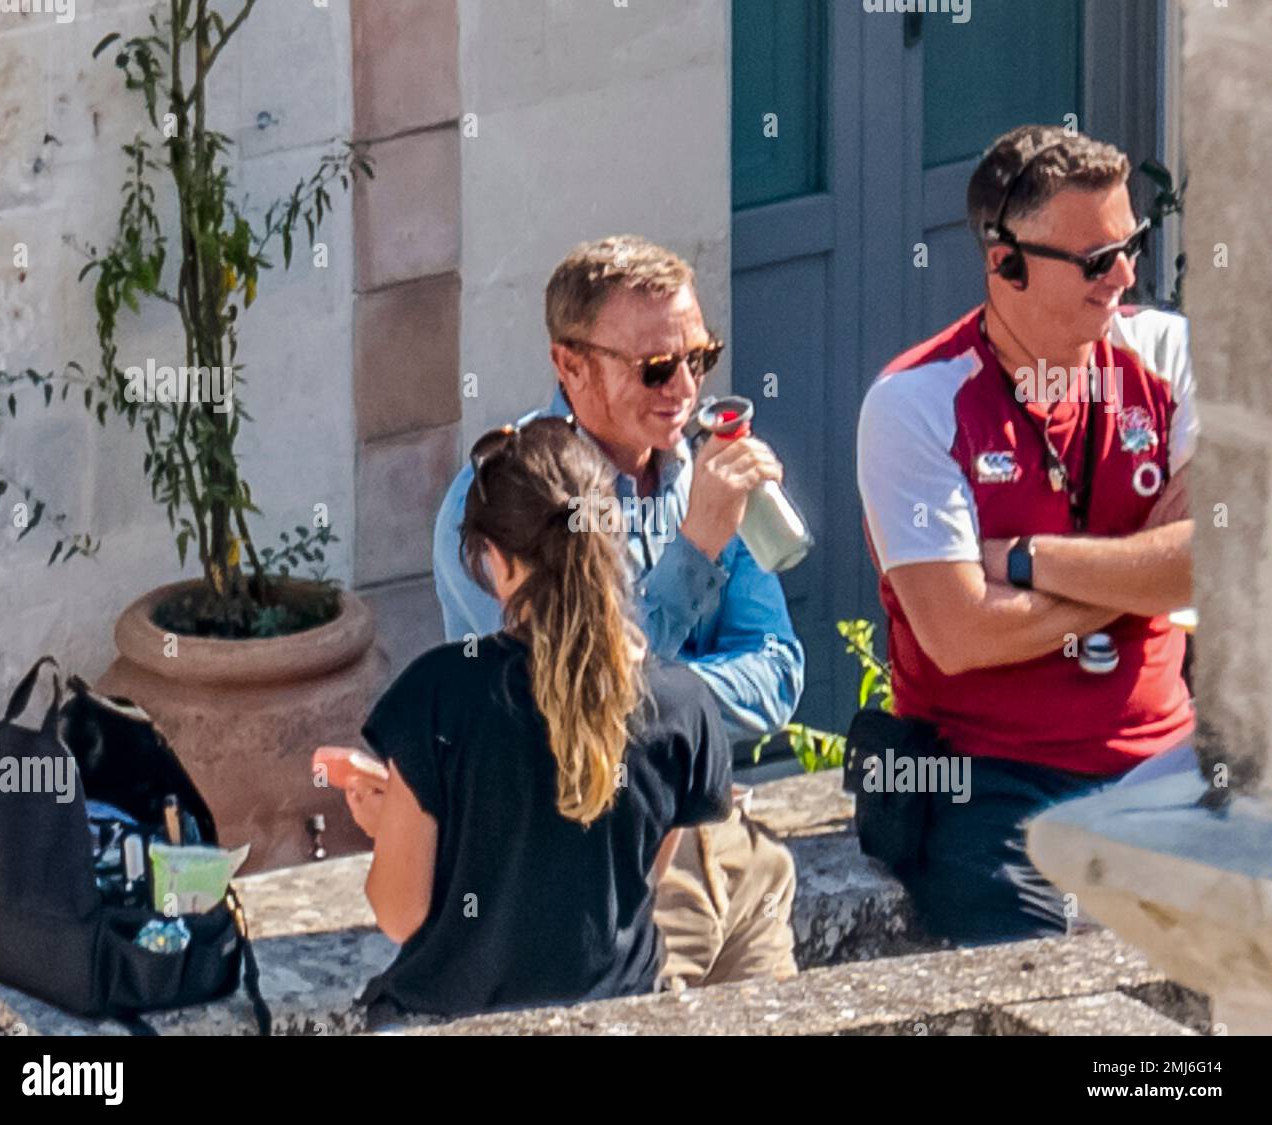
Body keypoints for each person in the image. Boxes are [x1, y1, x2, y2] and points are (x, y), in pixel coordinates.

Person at [855, 125, 1198, 944]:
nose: (1124, 275)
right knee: (1052, 997)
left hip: (1168, 758)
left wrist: (1025, 561)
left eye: (1132, 245)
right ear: (1004, 262)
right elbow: (961, 633)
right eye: (1095, 259)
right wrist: (1136, 577)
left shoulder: (1164, 350)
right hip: (996, 783)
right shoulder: (914, 404)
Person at [432, 235, 802, 986]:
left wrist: (665, 704)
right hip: (596, 858)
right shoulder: (503, 507)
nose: (685, 389)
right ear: (570, 365)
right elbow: (567, 707)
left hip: (727, 838)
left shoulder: (702, 472)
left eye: (700, 358)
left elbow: (777, 673)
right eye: (657, 368)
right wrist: (696, 551)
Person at [346, 419, 732, 1021]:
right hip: (619, 1016)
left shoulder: (439, 694)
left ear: (497, 562)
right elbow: (631, 882)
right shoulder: (683, 705)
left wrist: (393, 819)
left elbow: (399, 912)